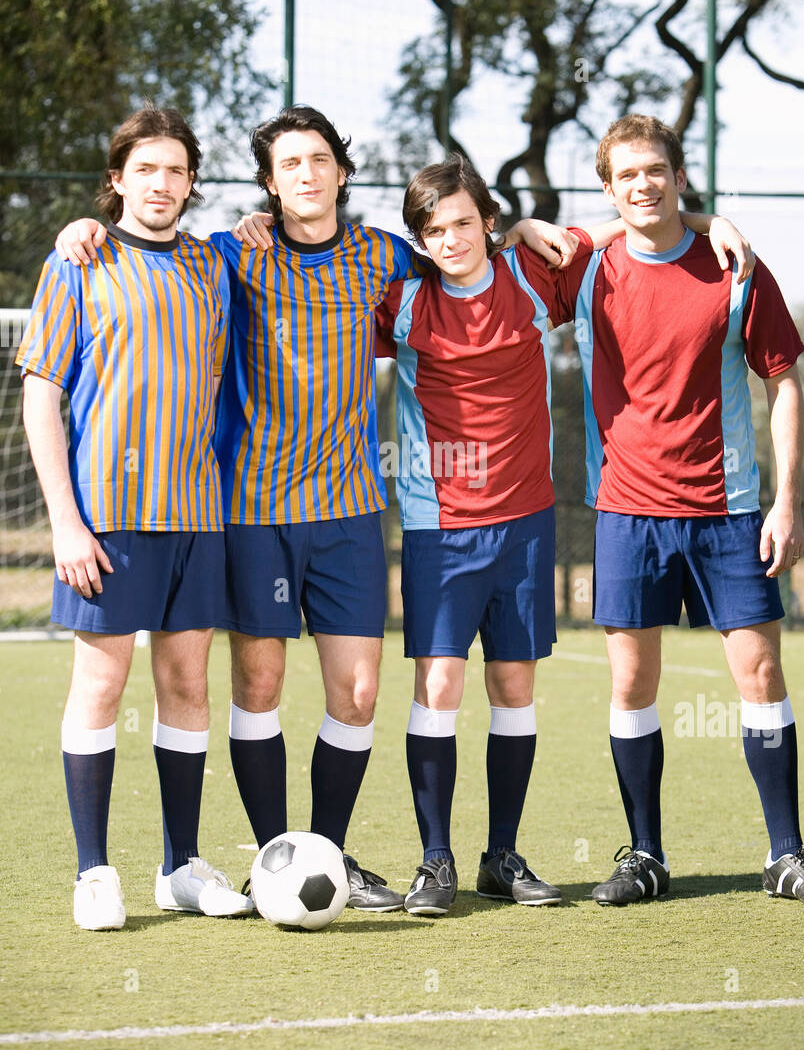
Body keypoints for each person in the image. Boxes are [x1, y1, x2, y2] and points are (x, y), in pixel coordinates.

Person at [53, 106, 567, 911]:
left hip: (350, 509)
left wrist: (524, 229)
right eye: (289, 163)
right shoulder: (230, 256)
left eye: (319, 159)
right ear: (269, 181)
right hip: (254, 510)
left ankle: (329, 852)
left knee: (356, 692)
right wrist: (82, 228)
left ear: (341, 171)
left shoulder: (384, 257)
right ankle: (273, 861)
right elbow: (145, 244)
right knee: (257, 684)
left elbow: (460, 247)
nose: (306, 174)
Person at [374, 155, 756, 915]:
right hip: (437, 524)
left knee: (514, 687)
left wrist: (710, 220)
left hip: (524, 520)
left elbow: (634, 226)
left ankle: (501, 856)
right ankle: (434, 860)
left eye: (463, 223)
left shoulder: (531, 275)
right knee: (439, 684)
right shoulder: (402, 299)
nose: (450, 240)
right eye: (433, 231)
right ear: (420, 240)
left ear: (487, 222)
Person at [549, 113, 804, 907]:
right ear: (608, 189)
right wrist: (703, 218)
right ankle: (645, 857)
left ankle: (785, 855)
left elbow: (784, 382)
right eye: (626, 175)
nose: (644, 184)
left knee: (761, 672)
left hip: (728, 510)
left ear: (678, 176)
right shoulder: (586, 270)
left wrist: (786, 501)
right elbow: (507, 250)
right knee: (631, 682)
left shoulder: (737, 267)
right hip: (626, 511)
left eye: (656, 170)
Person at [18, 105, 253, 929]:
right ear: (117, 179)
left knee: (187, 685)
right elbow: (40, 396)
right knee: (101, 685)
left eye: (176, 171)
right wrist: (65, 522)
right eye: (145, 169)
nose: (161, 183)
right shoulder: (77, 261)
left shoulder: (213, 265)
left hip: (199, 516)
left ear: (192, 184)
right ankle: (93, 872)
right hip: (107, 519)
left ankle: (179, 866)